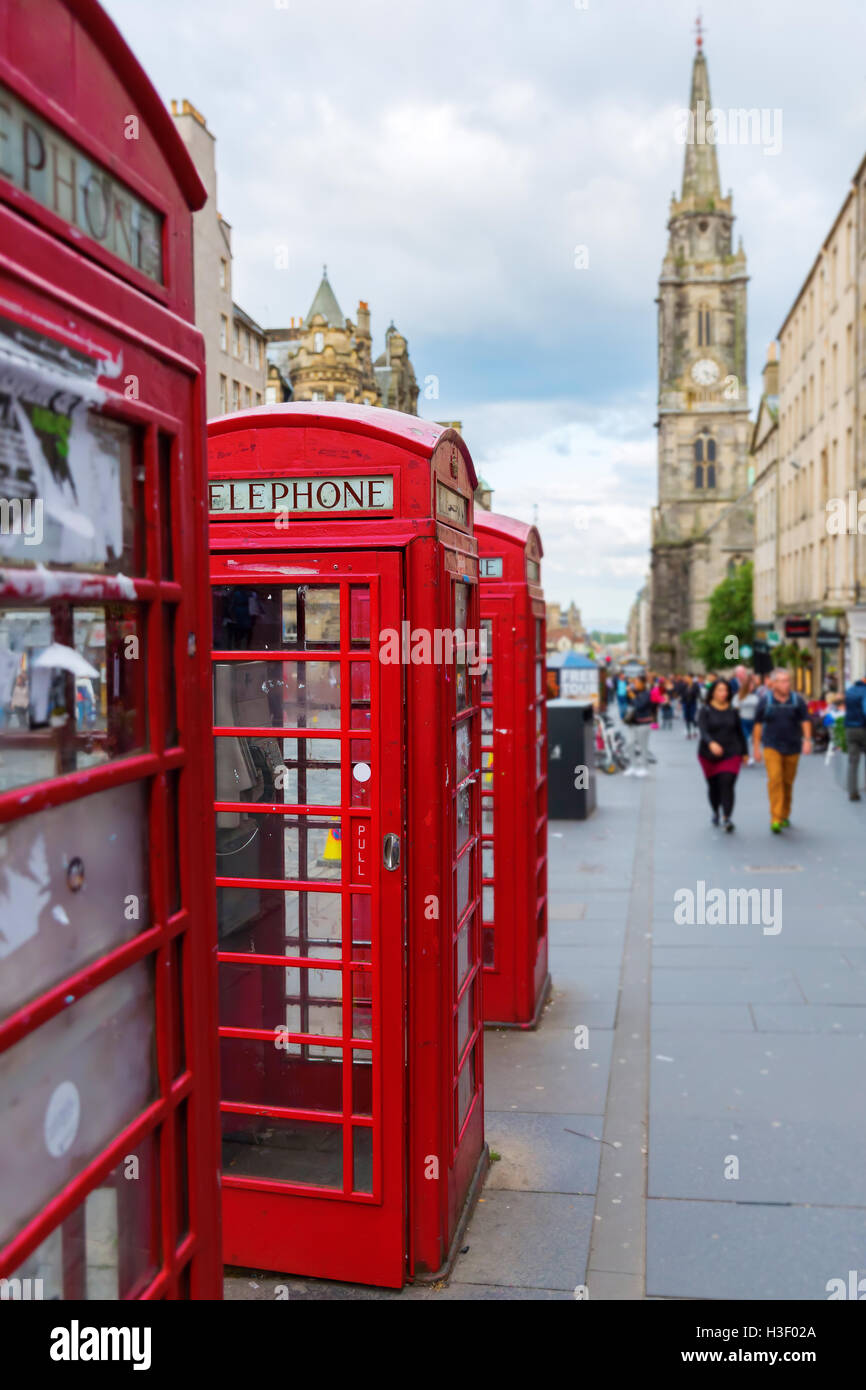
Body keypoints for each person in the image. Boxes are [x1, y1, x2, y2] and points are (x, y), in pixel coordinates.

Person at [753, 668, 813, 832]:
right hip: (771, 745)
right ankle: (776, 817)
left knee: (787, 782)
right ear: (773, 684)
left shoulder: (797, 700)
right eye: (783, 681)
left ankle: (785, 813)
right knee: (775, 779)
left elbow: (805, 720)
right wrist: (756, 747)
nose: (787, 684)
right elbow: (757, 724)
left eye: (788, 680)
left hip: (793, 746)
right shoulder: (765, 701)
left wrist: (807, 740)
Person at [697, 678, 748, 831]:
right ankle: (715, 810)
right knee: (714, 786)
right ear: (712, 693)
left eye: (725, 690)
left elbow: (740, 732)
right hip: (708, 754)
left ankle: (727, 817)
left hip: (732, 751)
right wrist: (711, 742)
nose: (723, 693)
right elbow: (703, 730)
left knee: (727, 782)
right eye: (720, 690)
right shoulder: (705, 710)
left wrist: (745, 752)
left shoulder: (733, 711)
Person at [623, 676, 654, 778]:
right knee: (629, 743)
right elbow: (630, 702)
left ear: (643, 683)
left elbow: (639, 705)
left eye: (637, 682)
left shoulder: (647, 694)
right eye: (634, 682)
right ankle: (633, 766)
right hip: (633, 723)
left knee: (643, 746)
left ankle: (644, 768)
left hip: (643, 723)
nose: (635, 684)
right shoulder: (635, 692)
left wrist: (632, 694)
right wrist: (628, 693)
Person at [843, 673, 866, 801]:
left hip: (850, 728)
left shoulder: (850, 690)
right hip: (863, 728)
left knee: (853, 761)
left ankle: (853, 792)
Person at [734, 672, 760, 766]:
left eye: (753, 686)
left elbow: (759, 709)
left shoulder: (755, 697)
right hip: (742, 720)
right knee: (745, 739)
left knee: (752, 739)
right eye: (750, 686)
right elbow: (735, 709)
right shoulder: (738, 696)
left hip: (753, 720)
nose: (752, 688)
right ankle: (746, 756)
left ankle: (749, 755)